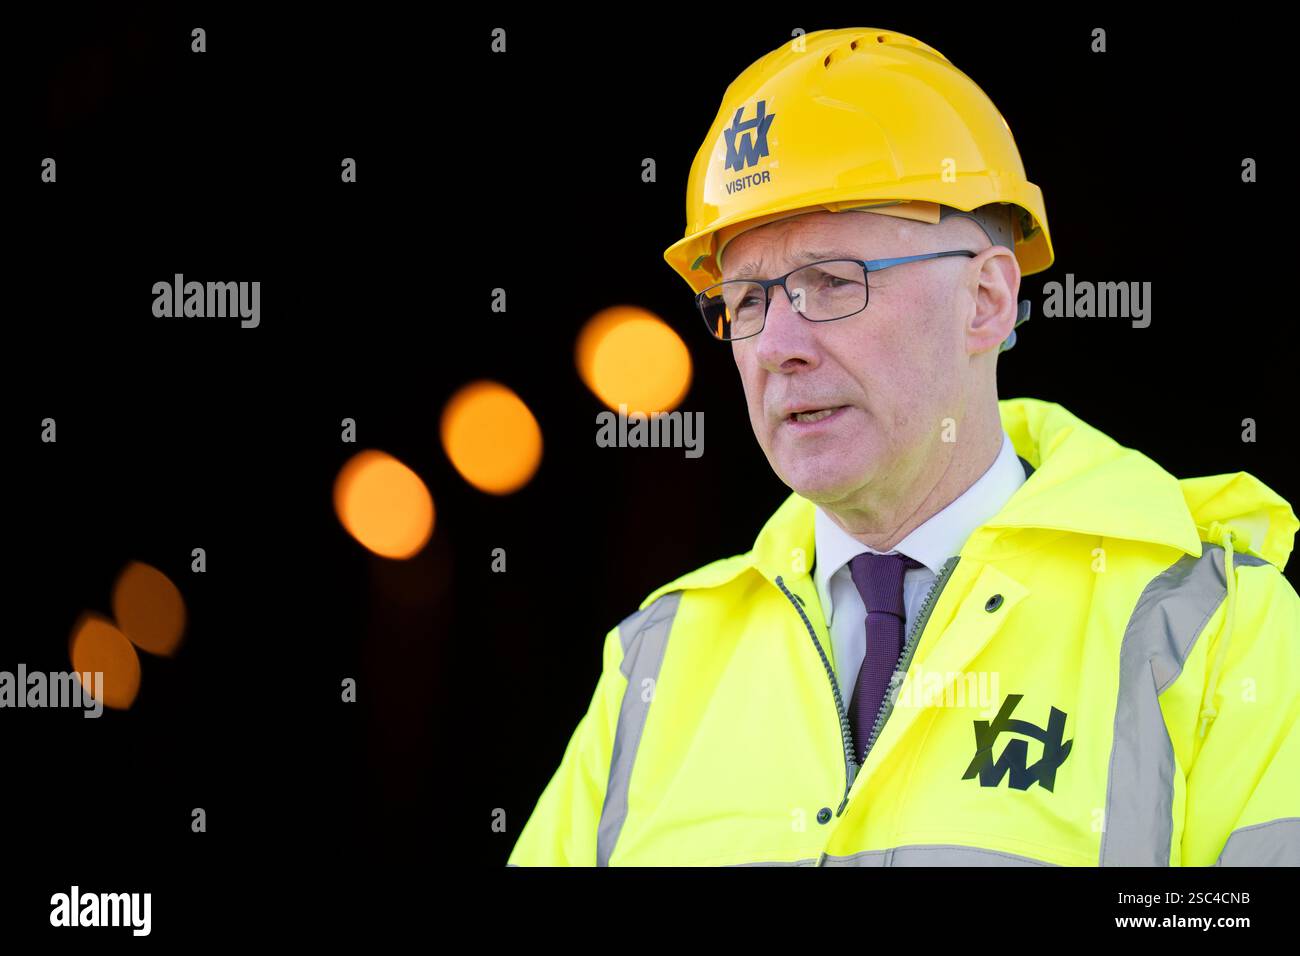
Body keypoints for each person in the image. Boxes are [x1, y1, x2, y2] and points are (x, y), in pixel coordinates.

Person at [507, 27, 1299, 866]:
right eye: (746, 301)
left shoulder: (1216, 629)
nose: (778, 344)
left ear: (987, 299)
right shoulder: (653, 664)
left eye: (832, 283)